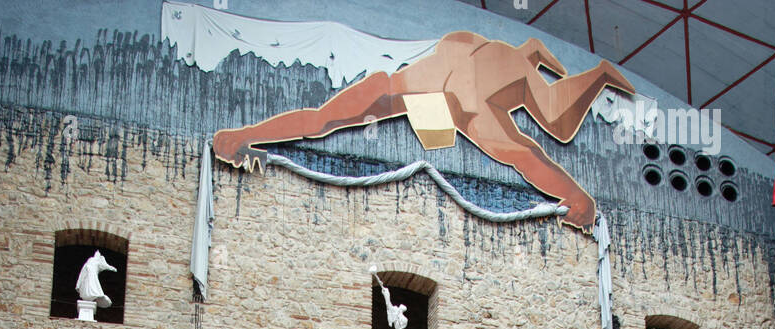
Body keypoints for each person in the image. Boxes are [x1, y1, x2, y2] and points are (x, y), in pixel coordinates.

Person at [213, 31, 635, 233]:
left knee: (556, 120)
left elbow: (527, 156)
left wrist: (580, 199)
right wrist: (244, 135)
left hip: (492, 72)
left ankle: (595, 72)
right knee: (341, 116)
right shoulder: (396, 89)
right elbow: (317, 121)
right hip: (447, 77)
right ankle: (534, 49)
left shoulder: (473, 107)